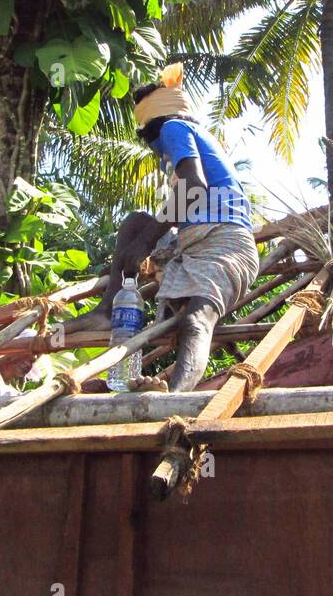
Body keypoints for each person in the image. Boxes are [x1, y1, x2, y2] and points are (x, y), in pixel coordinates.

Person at [72, 63, 258, 391]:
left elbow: (194, 186)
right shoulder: (186, 137)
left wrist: (146, 242)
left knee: (195, 321)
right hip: (192, 241)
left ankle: (173, 397)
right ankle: (107, 308)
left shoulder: (174, 128)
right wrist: (137, 248)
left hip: (223, 241)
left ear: (151, 127)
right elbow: (179, 207)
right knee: (136, 222)